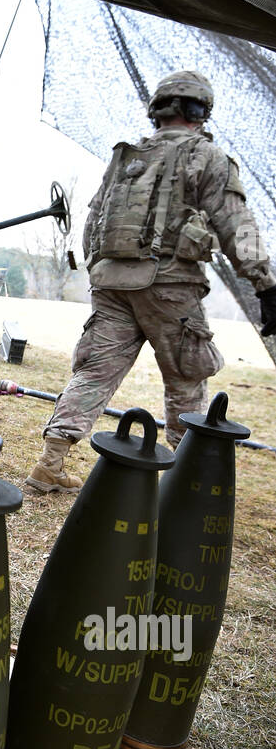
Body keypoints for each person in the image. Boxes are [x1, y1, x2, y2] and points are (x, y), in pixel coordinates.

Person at [27, 70, 276, 493]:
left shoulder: (127, 156)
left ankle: (50, 463)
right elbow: (235, 223)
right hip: (169, 285)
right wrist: (266, 284)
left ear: (157, 109)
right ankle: (182, 482)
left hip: (111, 282)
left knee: (95, 373)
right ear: (201, 111)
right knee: (186, 377)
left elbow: (92, 222)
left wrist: (99, 271)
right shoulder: (205, 156)